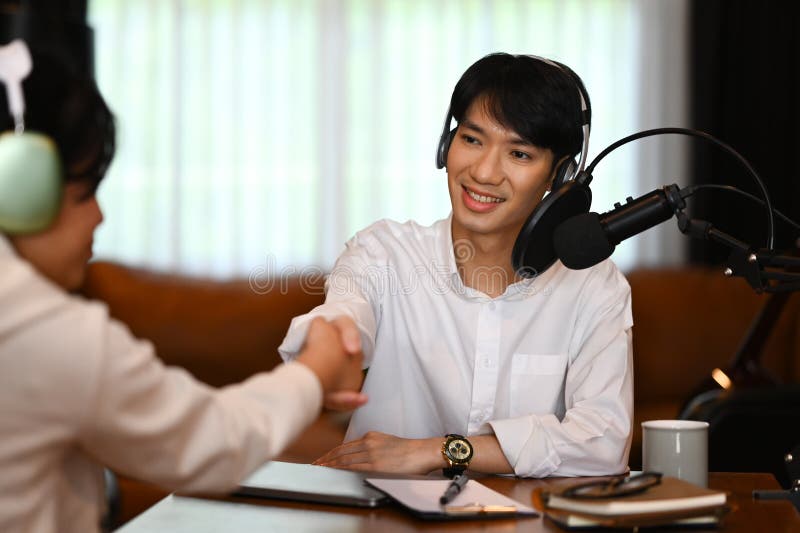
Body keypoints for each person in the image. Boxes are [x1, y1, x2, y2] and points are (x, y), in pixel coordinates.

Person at [0, 44, 366, 533]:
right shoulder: (49, 335)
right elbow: (216, 441)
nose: (98, 217)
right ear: (16, 185)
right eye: (84, 193)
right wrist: (315, 371)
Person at [279, 53, 633, 478]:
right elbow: (342, 322)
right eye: (472, 139)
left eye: (519, 154)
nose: (484, 172)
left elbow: (604, 442)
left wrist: (442, 450)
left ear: (560, 179)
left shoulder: (595, 285)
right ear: (447, 145)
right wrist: (329, 361)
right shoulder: (384, 252)